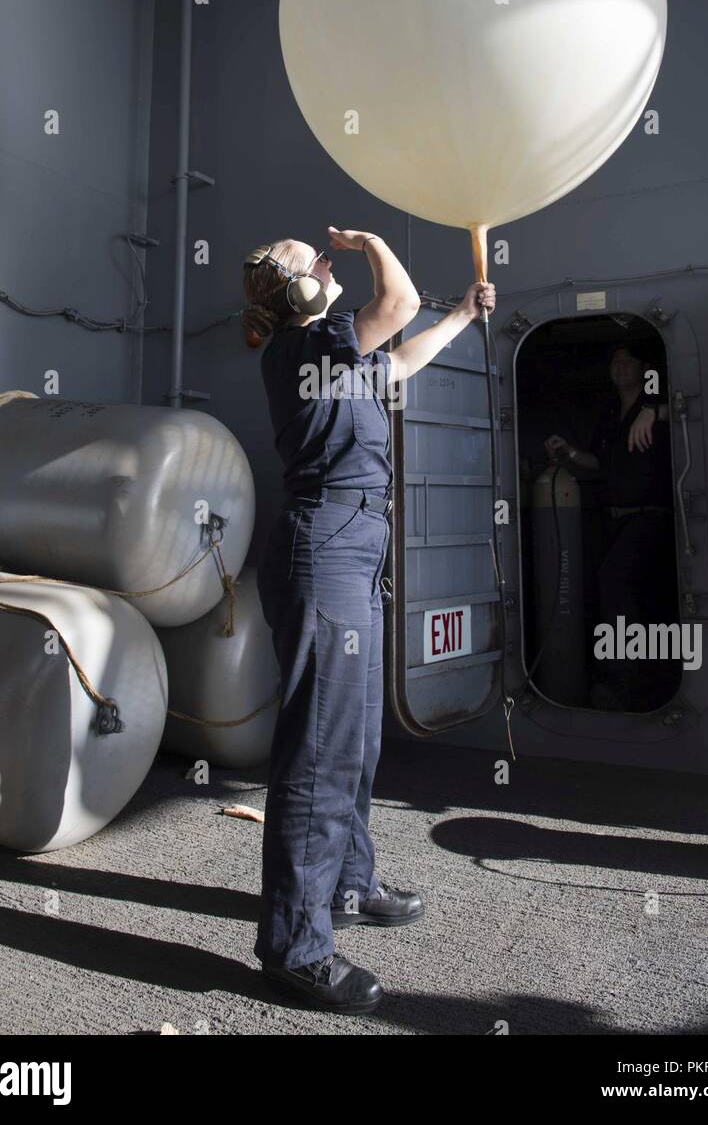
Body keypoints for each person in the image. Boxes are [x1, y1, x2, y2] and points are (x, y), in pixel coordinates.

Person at [242, 227, 495, 1013]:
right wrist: (368, 240)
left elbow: (405, 355)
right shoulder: (301, 350)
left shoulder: (340, 354)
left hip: (355, 546)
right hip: (324, 545)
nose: (323, 262)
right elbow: (398, 302)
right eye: (307, 260)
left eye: (322, 253)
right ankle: (294, 948)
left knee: (355, 737)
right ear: (290, 292)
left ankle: (348, 885)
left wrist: (460, 316)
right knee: (318, 750)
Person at [544, 344, 679, 711]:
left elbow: (682, 407)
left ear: (643, 367)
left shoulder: (654, 396)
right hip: (616, 518)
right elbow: (599, 464)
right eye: (614, 362)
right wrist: (568, 454)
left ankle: (622, 679)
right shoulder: (609, 415)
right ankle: (642, 677)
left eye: (627, 360)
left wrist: (653, 412)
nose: (619, 367)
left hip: (650, 516)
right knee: (628, 594)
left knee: (614, 581)